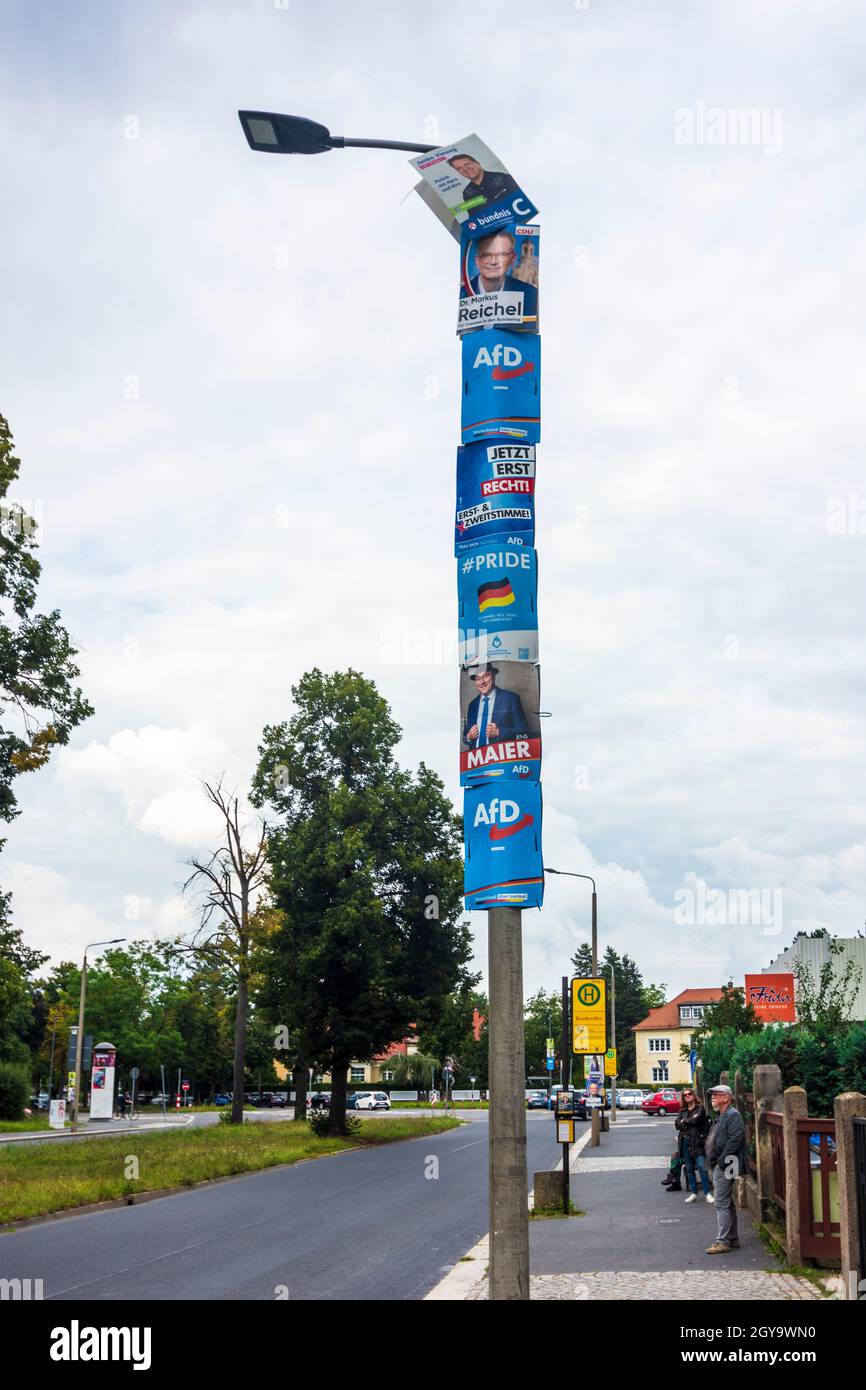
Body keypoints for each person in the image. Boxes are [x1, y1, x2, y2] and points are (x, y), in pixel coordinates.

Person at [704, 1083, 749, 1253]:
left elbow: (735, 1140)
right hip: (724, 1162)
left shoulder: (732, 1115)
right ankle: (732, 1237)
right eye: (712, 1094)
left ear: (726, 1097)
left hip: (728, 1162)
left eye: (716, 1094)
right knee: (727, 1202)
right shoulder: (722, 1114)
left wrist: (721, 1162)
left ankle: (722, 1241)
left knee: (721, 1202)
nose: (713, 1097)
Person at [463, 231, 538, 316]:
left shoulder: (529, 288)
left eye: (502, 255)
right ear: (477, 261)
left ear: (512, 259)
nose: (494, 261)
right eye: (486, 255)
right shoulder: (465, 293)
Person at [463, 664, 529, 747]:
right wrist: (469, 736)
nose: (482, 682)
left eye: (486, 676)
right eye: (478, 678)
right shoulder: (472, 705)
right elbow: (465, 736)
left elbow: (524, 731)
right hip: (476, 758)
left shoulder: (511, 699)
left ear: (493, 676)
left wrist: (499, 732)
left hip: (500, 757)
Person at [675, 1087, 713, 1203]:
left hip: (697, 1143)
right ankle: (694, 1193)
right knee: (689, 1168)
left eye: (689, 1094)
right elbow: (677, 1124)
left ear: (693, 1095)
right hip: (685, 1143)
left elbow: (695, 1121)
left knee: (702, 1167)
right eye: (685, 1095)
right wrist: (687, 1121)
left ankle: (707, 1193)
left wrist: (685, 1121)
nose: (687, 1096)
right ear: (683, 1098)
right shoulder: (682, 1111)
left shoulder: (700, 1108)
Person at [448, 153, 519, 207]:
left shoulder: (504, 178)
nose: (465, 169)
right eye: (459, 168)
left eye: (466, 164)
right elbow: (475, 216)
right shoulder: (467, 193)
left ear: (477, 163)